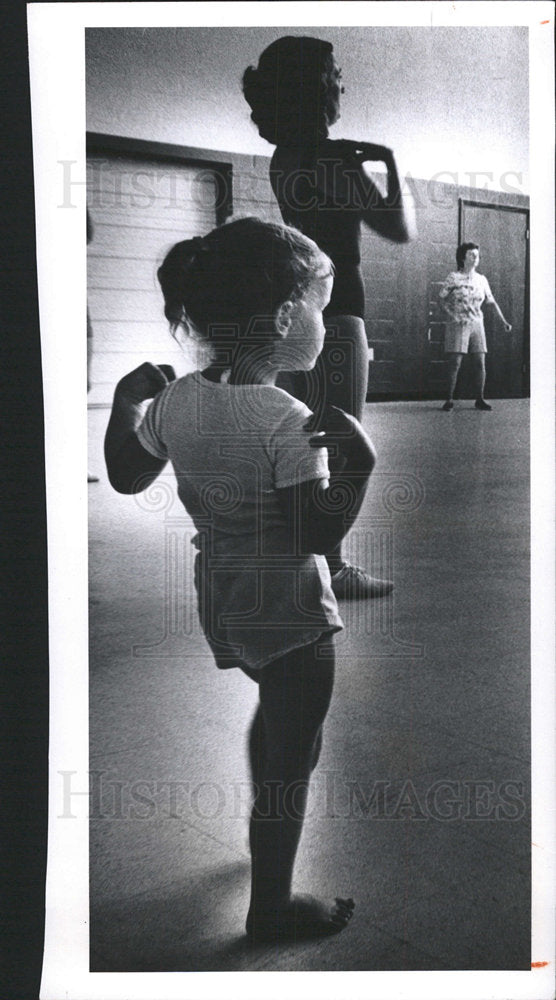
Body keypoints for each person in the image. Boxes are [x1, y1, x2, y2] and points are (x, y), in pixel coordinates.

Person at [104, 217, 381, 942]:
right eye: (320, 308)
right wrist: (359, 467)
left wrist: (125, 404)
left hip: (224, 597)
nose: (326, 324)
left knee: (280, 716)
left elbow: (128, 476)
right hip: (289, 606)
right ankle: (272, 906)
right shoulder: (285, 416)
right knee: (293, 760)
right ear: (287, 316)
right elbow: (314, 536)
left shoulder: (177, 401)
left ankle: (269, 842)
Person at [242, 35, 415, 598]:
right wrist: (389, 161)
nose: (343, 83)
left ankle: (307, 557)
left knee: (310, 434)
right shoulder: (336, 157)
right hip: (338, 313)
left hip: (299, 310)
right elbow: (399, 228)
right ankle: (331, 566)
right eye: (336, 74)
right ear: (316, 87)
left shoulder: (284, 157)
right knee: (338, 437)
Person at [438, 243, 512, 411]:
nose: (475, 257)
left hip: (477, 324)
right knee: (455, 363)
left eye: (477, 255)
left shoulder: (482, 279)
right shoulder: (454, 277)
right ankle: (449, 399)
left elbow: (491, 302)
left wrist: (503, 321)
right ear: (463, 257)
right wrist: (452, 315)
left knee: (480, 362)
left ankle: (480, 398)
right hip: (459, 324)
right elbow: (441, 300)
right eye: (471, 254)